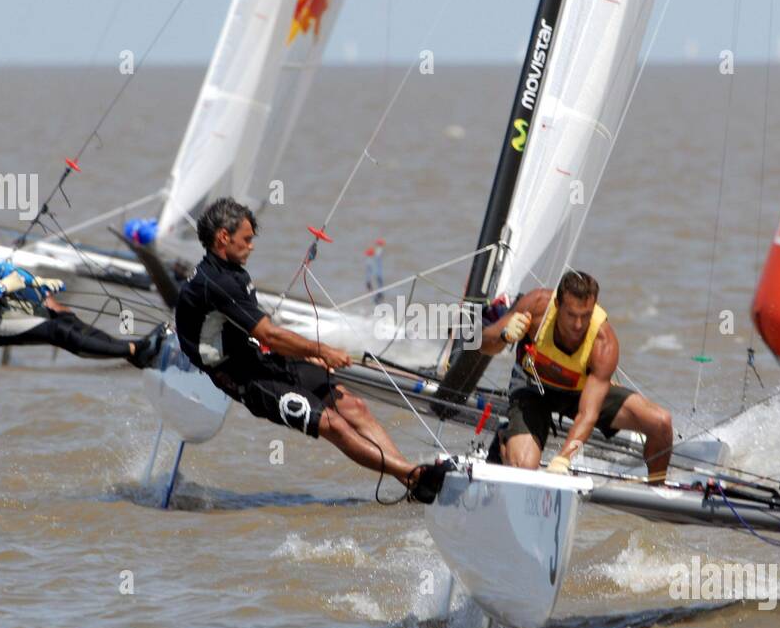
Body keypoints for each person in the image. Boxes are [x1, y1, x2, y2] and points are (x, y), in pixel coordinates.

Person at [174, 197, 446, 503]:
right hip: (245, 379)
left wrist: (303, 354)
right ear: (223, 237)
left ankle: (413, 483)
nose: (252, 246)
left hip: (265, 358)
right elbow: (269, 333)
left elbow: (263, 335)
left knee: (355, 408)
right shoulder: (216, 282)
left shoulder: (234, 271)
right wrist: (322, 350)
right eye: (247, 239)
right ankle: (416, 476)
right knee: (333, 424)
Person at [0, 180, 166, 366]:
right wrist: (4, 286)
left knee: (66, 318)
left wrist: (35, 281)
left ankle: (132, 353)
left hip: (2, 302)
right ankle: (136, 349)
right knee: (56, 332)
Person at [479, 270, 673, 482]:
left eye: (586, 316)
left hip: (580, 394)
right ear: (557, 306)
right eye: (571, 315)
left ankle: (657, 489)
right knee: (523, 467)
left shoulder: (604, 343)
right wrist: (504, 335)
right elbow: (483, 344)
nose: (579, 325)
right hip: (533, 388)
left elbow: (588, 415)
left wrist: (564, 459)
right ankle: (505, 437)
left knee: (660, 423)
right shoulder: (536, 307)